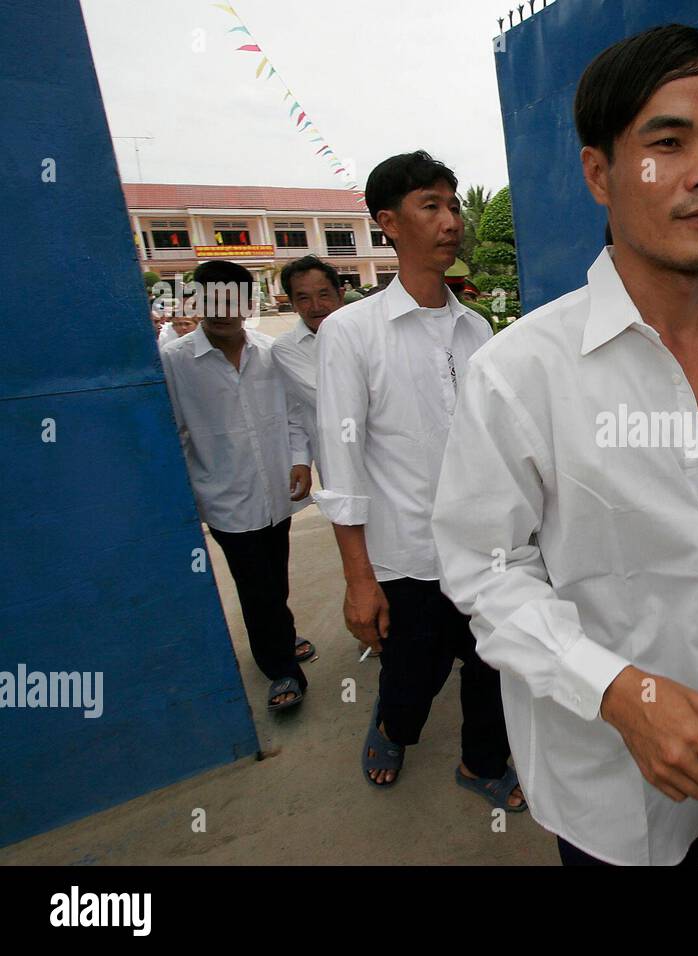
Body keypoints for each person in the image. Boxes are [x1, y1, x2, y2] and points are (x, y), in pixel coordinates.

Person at [431, 24, 698, 866]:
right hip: (603, 792)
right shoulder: (519, 373)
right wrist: (621, 692)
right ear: (600, 173)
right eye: (667, 143)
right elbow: (485, 572)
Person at [314, 151, 521, 808]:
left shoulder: (475, 328)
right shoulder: (352, 333)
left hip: (485, 550)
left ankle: (482, 762)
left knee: (493, 667)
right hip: (406, 558)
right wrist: (358, 580)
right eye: (430, 205)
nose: (451, 220)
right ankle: (393, 727)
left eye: (453, 205)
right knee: (413, 675)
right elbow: (341, 466)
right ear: (388, 222)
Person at [160, 259, 317, 710]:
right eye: (213, 299)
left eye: (233, 299)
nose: (223, 309)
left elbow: (292, 416)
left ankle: (282, 635)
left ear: (249, 303)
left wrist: (300, 461)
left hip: (276, 492)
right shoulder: (176, 362)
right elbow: (173, 431)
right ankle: (282, 670)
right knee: (255, 586)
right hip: (225, 497)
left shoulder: (270, 353)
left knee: (275, 579)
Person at [271, 255, 344, 468]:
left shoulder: (367, 332)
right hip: (337, 460)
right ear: (292, 304)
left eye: (324, 294)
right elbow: (330, 399)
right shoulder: (286, 348)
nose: (316, 306)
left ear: (340, 295)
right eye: (303, 298)